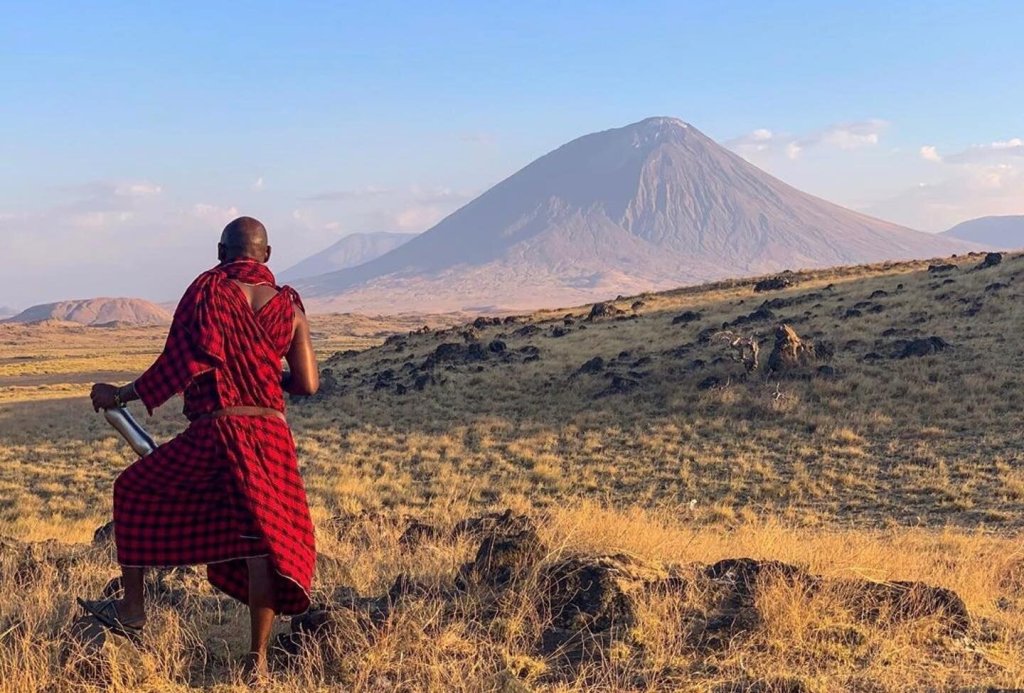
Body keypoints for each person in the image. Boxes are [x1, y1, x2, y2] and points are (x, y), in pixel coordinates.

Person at [79, 216, 319, 681]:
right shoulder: (289, 306)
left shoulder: (209, 292)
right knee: (261, 542)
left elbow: (178, 364)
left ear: (220, 252)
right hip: (271, 438)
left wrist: (120, 395)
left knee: (132, 488)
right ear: (267, 255)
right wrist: (265, 372)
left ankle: (132, 609)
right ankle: (257, 663)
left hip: (218, 432)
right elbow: (308, 383)